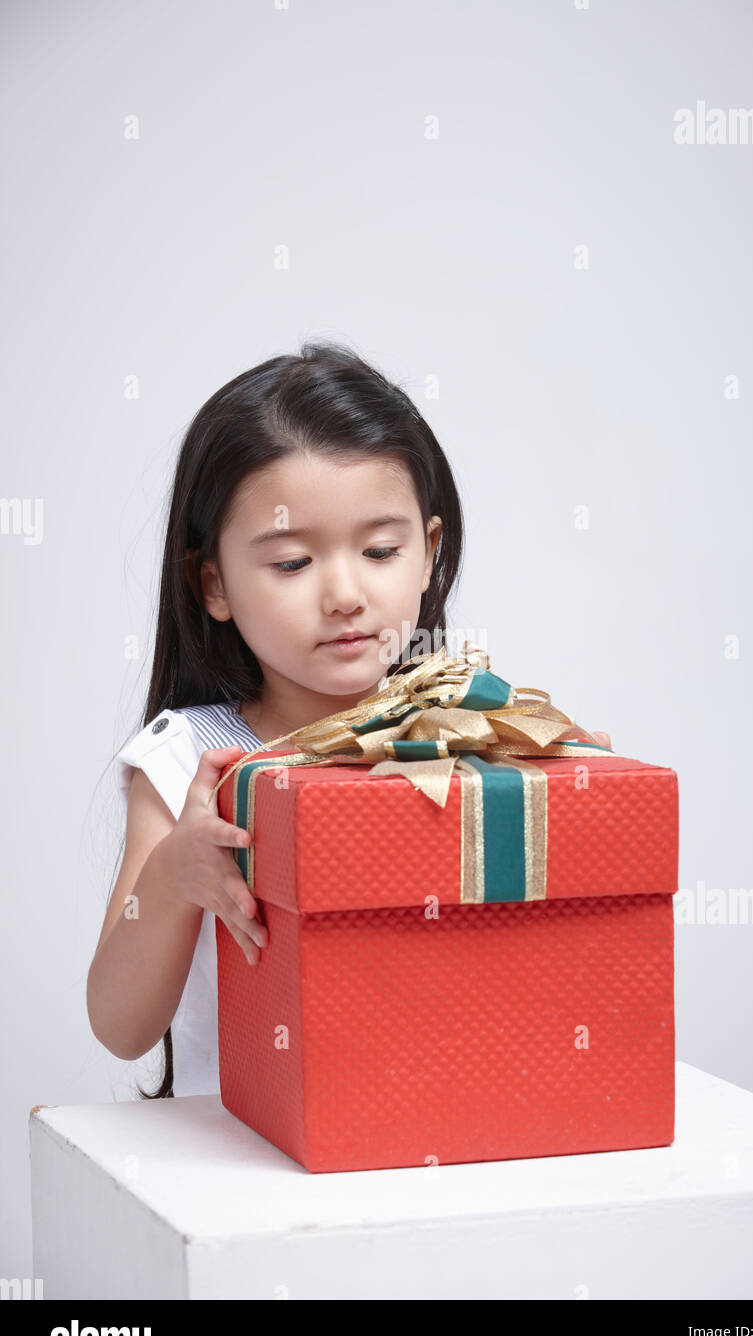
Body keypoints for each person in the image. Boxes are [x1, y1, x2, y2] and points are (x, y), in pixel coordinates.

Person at [87, 339, 610, 1101]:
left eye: (380, 549)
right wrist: (173, 876)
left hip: (424, 1135)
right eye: (292, 563)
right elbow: (118, 1027)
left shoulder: (464, 731)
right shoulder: (188, 763)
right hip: (243, 1167)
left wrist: (566, 787)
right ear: (214, 584)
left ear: (428, 554)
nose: (344, 594)